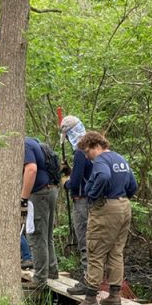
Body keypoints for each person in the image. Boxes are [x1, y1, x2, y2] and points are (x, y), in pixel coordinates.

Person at [67, 131, 137, 305]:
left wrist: (93, 195)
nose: (87, 157)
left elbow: (104, 176)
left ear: (96, 146)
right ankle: (114, 295)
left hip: (106, 208)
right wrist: (124, 196)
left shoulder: (101, 161)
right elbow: (133, 184)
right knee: (116, 251)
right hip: (124, 206)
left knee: (95, 251)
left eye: (87, 152)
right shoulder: (120, 159)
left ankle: (90, 298)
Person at [21, 136, 59, 287]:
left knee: (36, 235)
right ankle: (52, 270)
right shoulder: (36, 143)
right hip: (50, 191)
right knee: (47, 235)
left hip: (38, 195)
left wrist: (23, 197)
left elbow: (31, 169)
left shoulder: (24, 145)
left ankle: (40, 277)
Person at [59, 115, 92, 271]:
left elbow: (76, 182)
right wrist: (70, 171)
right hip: (93, 199)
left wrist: (66, 182)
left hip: (82, 200)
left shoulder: (80, 152)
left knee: (84, 237)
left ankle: (89, 279)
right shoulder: (93, 147)